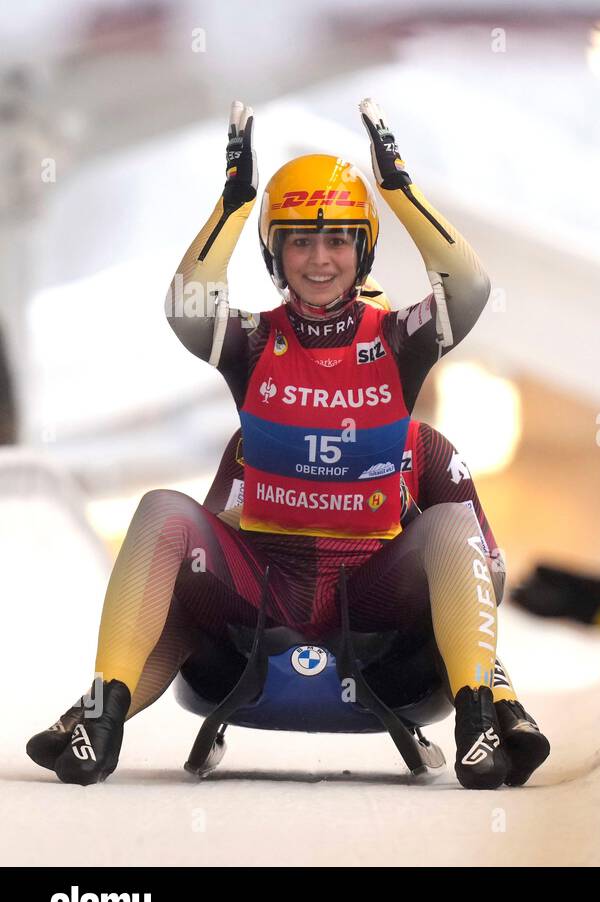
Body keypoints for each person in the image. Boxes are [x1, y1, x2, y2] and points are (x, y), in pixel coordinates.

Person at [27, 99, 547, 790]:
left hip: (373, 595)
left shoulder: (397, 345)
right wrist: (233, 204)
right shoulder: (250, 341)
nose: (319, 258)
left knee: (452, 525)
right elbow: (187, 307)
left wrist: (399, 192)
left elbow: (472, 288)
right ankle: (101, 715)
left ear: (362, 249)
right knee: (160, 511)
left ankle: (482, 719)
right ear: (274, 253)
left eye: (336, 240)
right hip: (265, 591)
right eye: (300, 240)